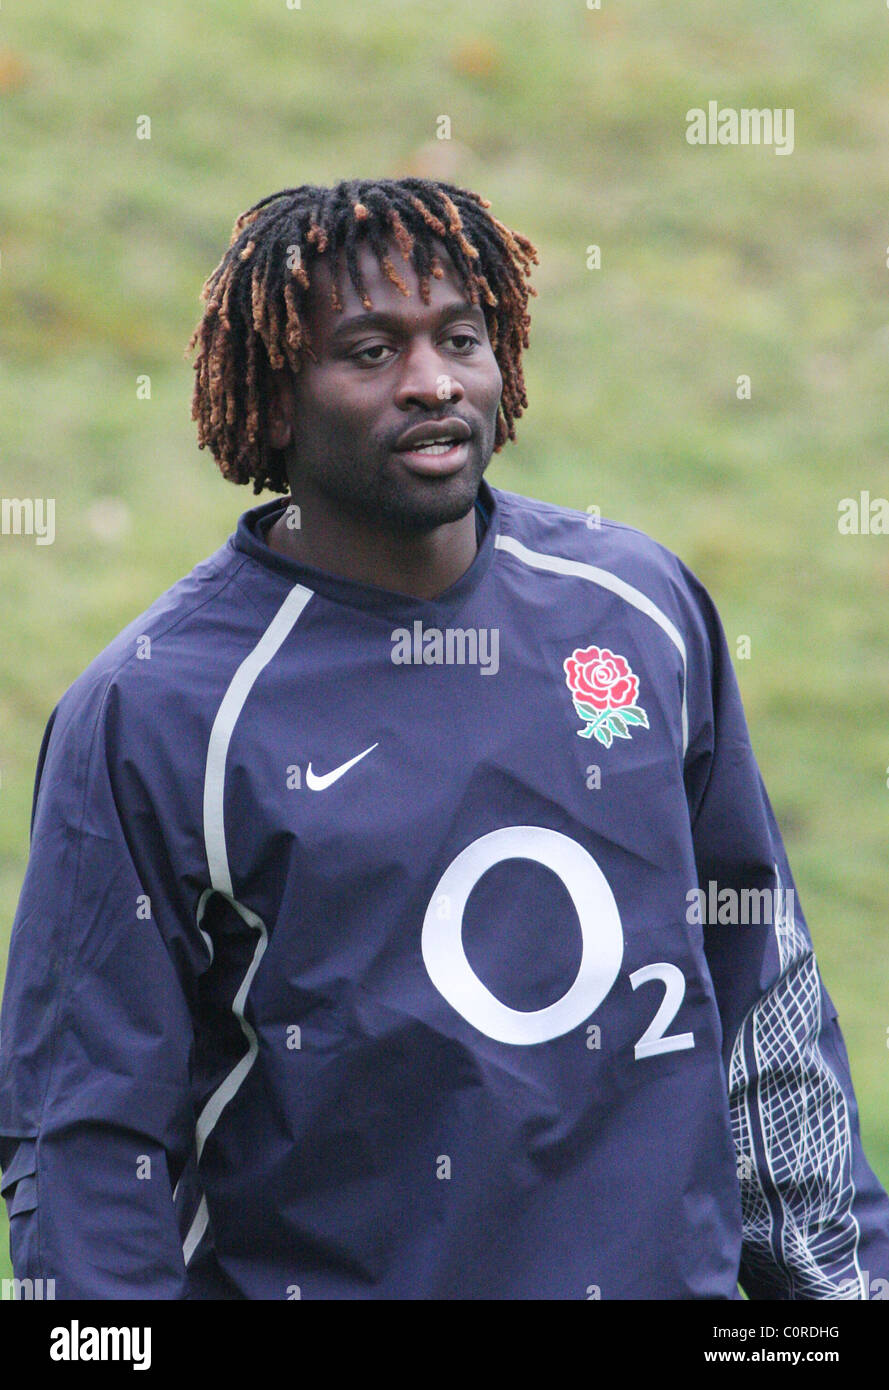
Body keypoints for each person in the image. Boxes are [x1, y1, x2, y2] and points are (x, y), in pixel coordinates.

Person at [1, 176, 887, 1300]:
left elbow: (764, 1008)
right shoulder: (159, 711)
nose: (432, 382)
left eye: (459, 338)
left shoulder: (634, 609)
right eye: (369, 353)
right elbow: (85, 1139)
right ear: (276, 402)